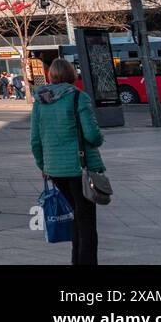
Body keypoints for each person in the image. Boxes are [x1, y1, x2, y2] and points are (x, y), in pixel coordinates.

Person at [31, 58, 105, 265]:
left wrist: (43, 165)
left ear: (51, 76)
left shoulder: (40, 103)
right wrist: (99, 139)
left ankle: (76, 261)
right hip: (80, 169)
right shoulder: (78, 98)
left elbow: (35, 140)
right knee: (87, 222)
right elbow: (92, 134)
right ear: (72, 74)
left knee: (75, 219)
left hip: (54, 170)